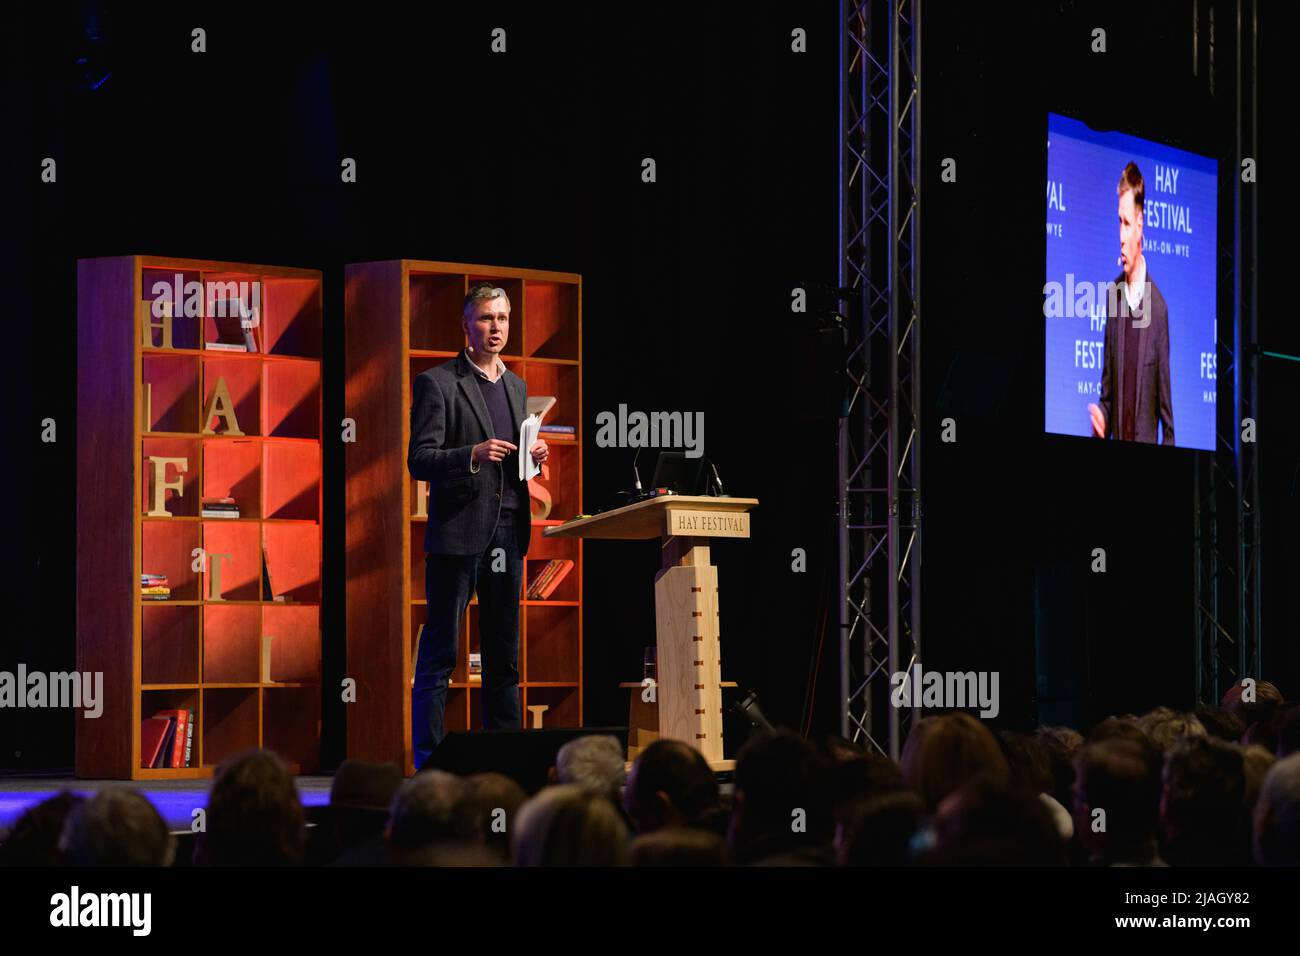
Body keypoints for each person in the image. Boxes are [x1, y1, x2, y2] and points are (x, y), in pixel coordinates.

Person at [407, 281, 549, 766]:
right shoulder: (438, 382)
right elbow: (419, 460)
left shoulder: (516, 385)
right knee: (439, 656)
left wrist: (535, 457)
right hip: (458, 535)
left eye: (503, 319)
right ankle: (428, 762)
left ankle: (506, 762)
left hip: (508, 532)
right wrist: (472, 454)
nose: (496, 328)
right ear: (466, 325)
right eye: (487, 319)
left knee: (503, 658)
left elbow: (514, 463)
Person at [1088, 161, 1174, 444]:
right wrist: (1101, 420)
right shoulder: (1113, 296)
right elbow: (1108, 398)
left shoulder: (1158, 310)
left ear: (1140, 224)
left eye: (1127, 223)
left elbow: (1167, 423)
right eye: (1118, 222)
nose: (1121, 237)